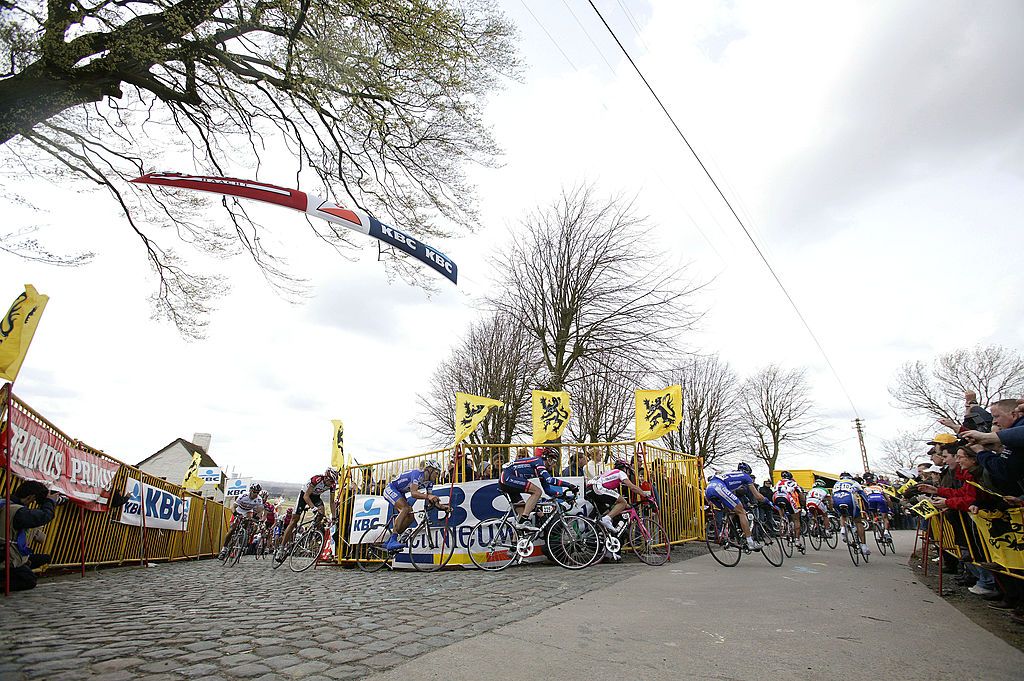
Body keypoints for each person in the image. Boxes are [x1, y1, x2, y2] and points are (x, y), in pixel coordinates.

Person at [0, 481, 62, 591]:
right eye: (33, 501)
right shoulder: (16, 511)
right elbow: (44, 516)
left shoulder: (4, 504)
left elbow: (40, 538)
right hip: (6, 556)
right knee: (29, 580)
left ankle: (22, 568)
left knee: (43, 558)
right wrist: (49, 502)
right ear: (30, 497)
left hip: (9, 552)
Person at [498, 447, 579, 530]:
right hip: (507, 478)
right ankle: (524, 520)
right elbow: (550, 480)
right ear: (549, 459)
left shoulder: (540, 468)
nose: (554, 465)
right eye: (554, 461)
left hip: (507, 480)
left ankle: (517, 541)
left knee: (522, 512)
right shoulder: (539, 462)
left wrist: (564, 497)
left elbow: (548, 490)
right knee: (537, 492)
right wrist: (570, 485)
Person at [381, 459, 450, 551]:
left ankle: (390, 540)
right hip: (391, 488)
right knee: (405, 509)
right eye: (436, 473)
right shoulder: (417, 474)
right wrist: (429, 496)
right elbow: (414, 493)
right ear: (430, 470)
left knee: (410, 517)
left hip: (400, 493)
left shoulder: (430, 483)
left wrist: (442, 507)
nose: (437, 476)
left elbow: (430, 501)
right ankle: (393, 539)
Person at [704, 462, 768, 550]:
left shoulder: (731, 473)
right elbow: (757, 496)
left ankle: (725, 534)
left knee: (730, 512)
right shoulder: (746, 477)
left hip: (708, 490)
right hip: (719, 488)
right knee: (742, 512)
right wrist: (767, 501)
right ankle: (750, 542)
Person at [279, 468, 339, 556]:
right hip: (304, 496)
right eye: (331, 481)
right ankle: (281, 547)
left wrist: (334, 517)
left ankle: (311, 531)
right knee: (294, 521)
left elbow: (332, 502)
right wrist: (313, 508)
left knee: (321, 513)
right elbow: (306, 496)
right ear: (326, 478)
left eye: (334, 482)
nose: (332, 484)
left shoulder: (332, 485)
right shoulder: (316, 479)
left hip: (316, 497)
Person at [585, 458, 652, 532]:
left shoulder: (610, 474)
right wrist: (645, 495)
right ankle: (606, 519)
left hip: (589, 488)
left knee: (609, 510)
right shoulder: (620, 472)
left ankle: (598, 532)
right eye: (628, 470)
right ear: (624, 468)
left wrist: (628, 506)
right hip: (597, 487)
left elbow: (615, 496)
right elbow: (632, 487)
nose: (629, 473)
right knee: (622, 502)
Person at [220, 483, 266, 557]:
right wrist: (235, 514)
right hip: (239, 510)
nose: (255, 494)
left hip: (248, 511)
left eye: (257, 492)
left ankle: (242, 540)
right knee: (232, 529)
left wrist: (257, 518)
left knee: (248, 521)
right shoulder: (243, 496)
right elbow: (233, 507)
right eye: (254, 492)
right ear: (250, 490)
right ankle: (224, 548)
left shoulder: (259, 499)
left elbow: (260, 511)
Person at [831, 472, 870, 558]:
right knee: (858, 521)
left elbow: (832, 497)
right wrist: (867, 509)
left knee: (843, 515)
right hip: (849, 498)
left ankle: (843, 529)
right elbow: (863, 496)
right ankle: (864, 546)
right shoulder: (854, 482)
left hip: (836, 499)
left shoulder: (836, 483)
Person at [772, 471, 805, 549]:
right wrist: (803, 505)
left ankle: (783, 524)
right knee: (796, 519)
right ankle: (797, 540)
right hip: (787, 497)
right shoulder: (793, 483)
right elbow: (801, 495)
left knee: (782, 513)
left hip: (776, 497)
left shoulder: (778, 482)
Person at [862, 472, 892, 541]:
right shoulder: (879, 487)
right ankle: (886, 532)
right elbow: (887, 498)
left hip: (871, 500)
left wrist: (866, 510)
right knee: (885, 517)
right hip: (880, 499)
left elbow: (864, 500)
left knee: (874, 517)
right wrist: (890, 507)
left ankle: (876, 532)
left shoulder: (866, 489)